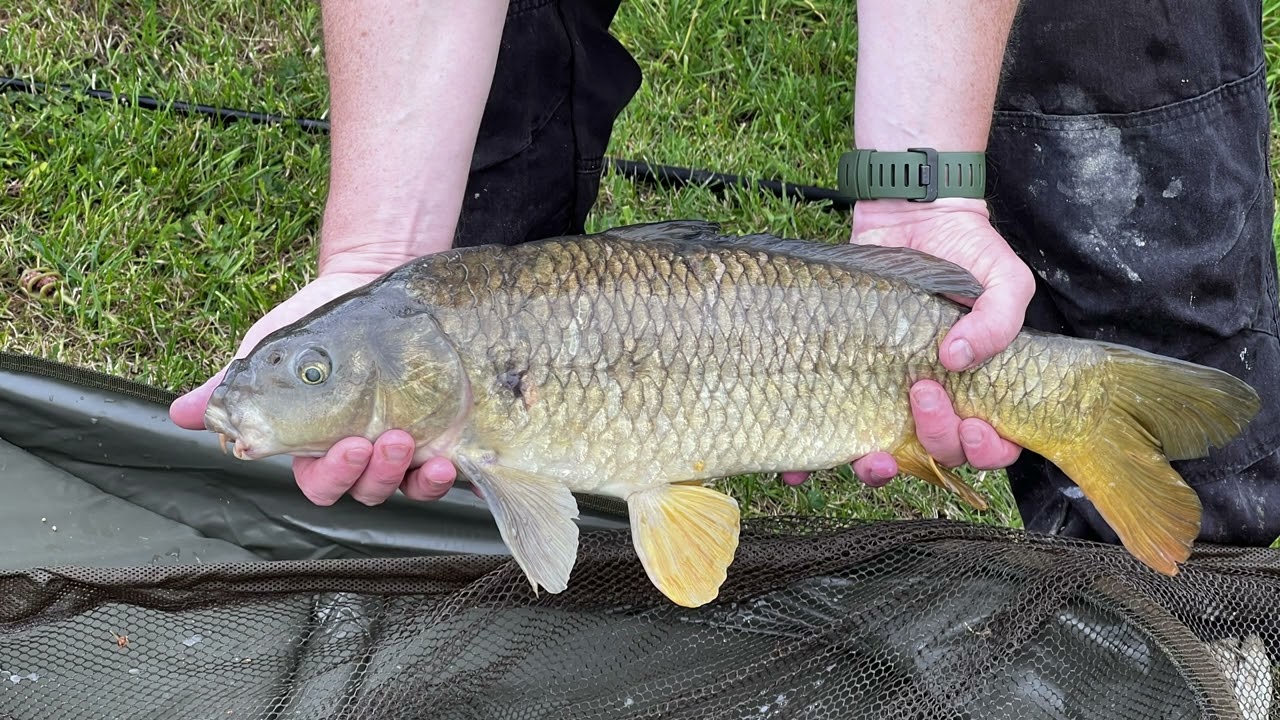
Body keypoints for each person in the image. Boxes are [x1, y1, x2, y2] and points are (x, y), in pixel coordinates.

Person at [170, 0, 1280, 552]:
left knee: (1111, 30)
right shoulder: (430, 327)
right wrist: (379, 247)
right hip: (488, 338)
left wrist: (921, 197)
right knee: (476, 187)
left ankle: (1175, 638)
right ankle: (484, 607)